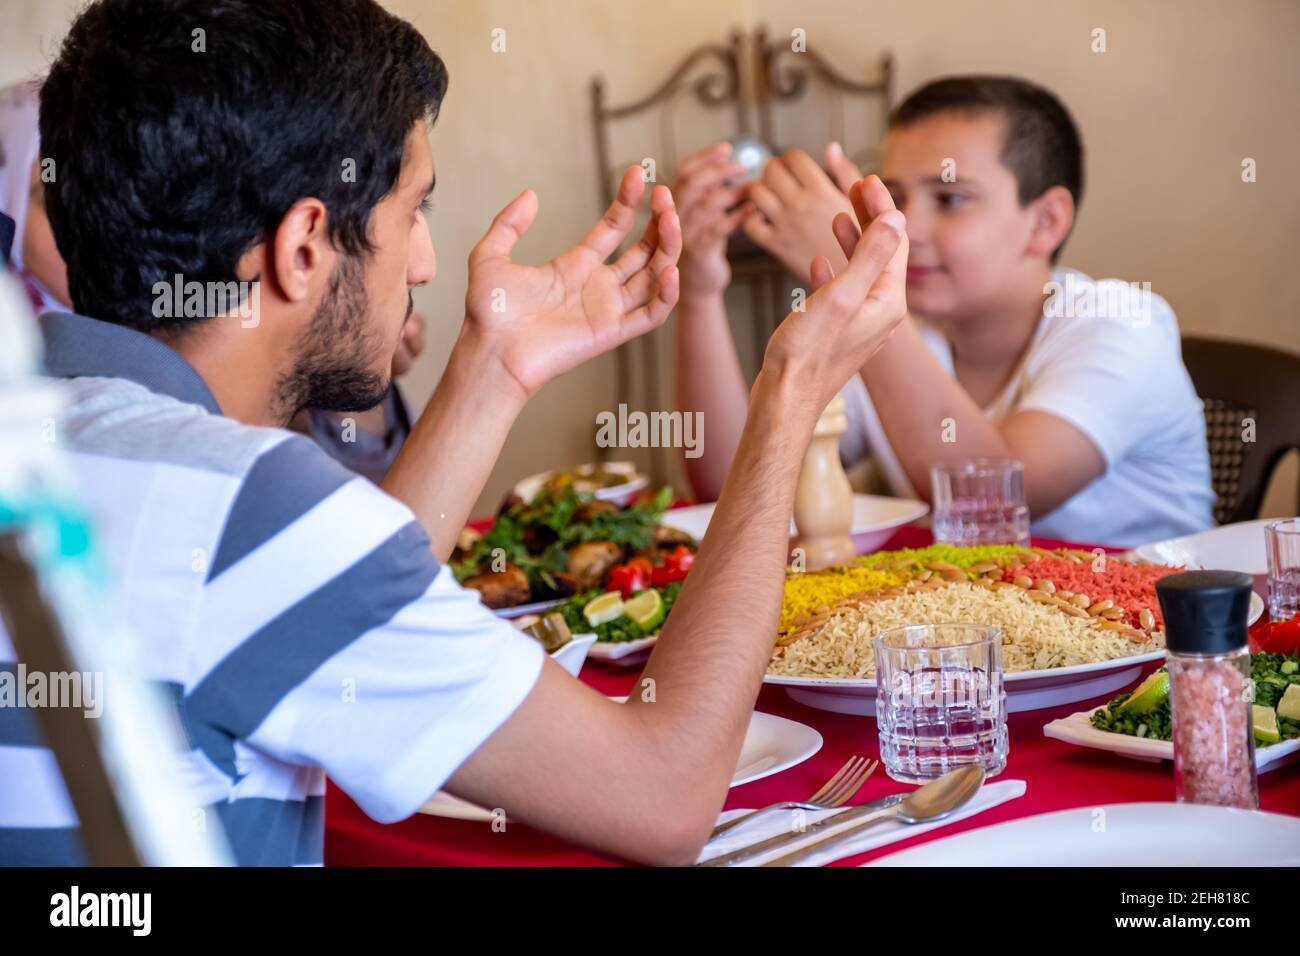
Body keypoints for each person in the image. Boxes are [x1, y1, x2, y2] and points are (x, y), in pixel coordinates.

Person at [0, 0, 907, 866]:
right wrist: (788, 397)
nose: (427, 263)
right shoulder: (248, 509)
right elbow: (663, 797)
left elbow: (321, 599)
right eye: (415, 213)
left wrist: (495, 368)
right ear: (305, 246)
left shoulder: (48, 442)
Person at [675, 76, 1215, 548]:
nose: (908, 227)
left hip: (1150, 647)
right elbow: (732, 491)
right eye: (897, 197)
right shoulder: (909, 330)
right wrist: (697, 290)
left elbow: (992, 506)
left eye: (951, 199)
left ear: (1046, 221)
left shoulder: (1122, 323)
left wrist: (860, 285)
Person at [0, 78, 419, 484]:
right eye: (46, 194)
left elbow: (365, 491)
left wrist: (348, 355)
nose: (82, 219)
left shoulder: (213, 324)